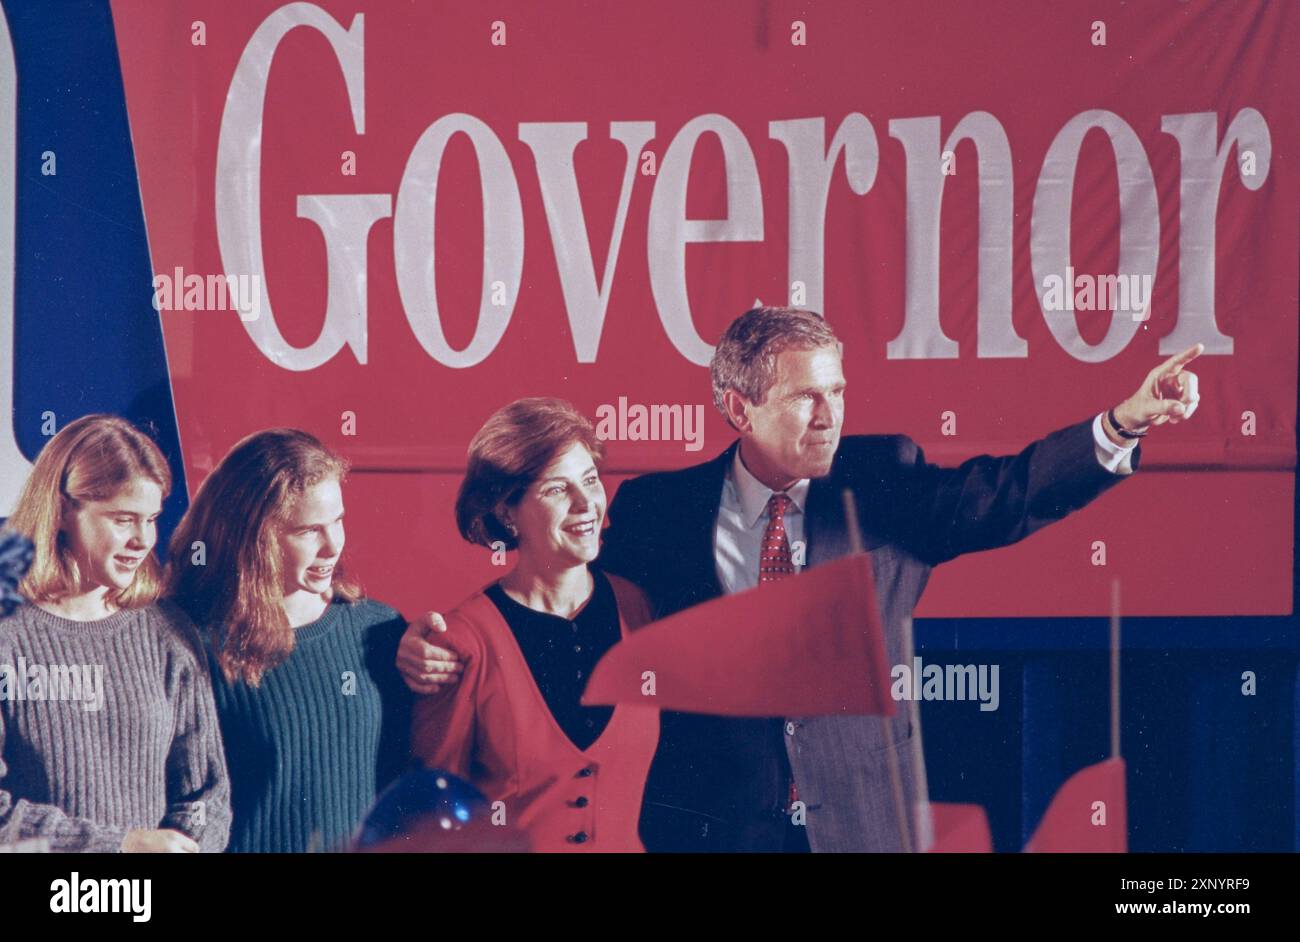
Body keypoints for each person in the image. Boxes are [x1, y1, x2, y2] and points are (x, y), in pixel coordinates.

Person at [400, 306, 1202, 852]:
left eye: (838, 391)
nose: (830, 415)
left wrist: (1121, 424)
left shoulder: (885, 481)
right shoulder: (656, 512)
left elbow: (1006, 495)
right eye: (804, 396)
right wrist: (432, 649)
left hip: (858, 824)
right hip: (712, 831)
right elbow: (573, 615)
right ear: (736, 406)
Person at [409, 398, 658, 852]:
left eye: (590, 480)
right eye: (557, 490)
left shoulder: (637, 608)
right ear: (507, 511)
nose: (586, 504)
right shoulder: (463, 642)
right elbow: (434, 817)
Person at [166, 428, 411, 852]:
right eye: (307, 531)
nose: (333, 545)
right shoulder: (194, 645)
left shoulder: (381, 630)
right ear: (253, 538)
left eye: (338, 520)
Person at [0, 414, 230, 852]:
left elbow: (207, 796)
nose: (144, 540)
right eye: (123, 519)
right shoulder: (7, 634)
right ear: (65, 509)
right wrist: (118, 846)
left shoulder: (167, 632)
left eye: (152, 518)